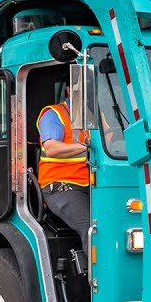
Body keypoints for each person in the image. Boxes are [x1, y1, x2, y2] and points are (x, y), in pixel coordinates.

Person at [37, 85, 90, 249]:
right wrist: (85, 147)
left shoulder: (95, 116)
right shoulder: (54, 114)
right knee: (93, 229)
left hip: (94, 184)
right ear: (69, 89)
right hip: (62, 186)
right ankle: (101, 275)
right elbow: (52, 148)